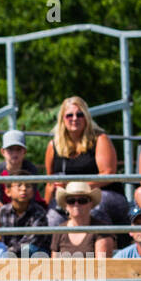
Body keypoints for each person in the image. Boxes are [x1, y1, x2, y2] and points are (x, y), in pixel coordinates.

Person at [44, 96, 130, 227]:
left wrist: (76, 187)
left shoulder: (100, 139)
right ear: (62, 119)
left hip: (102, 195)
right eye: (69, 115)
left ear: (86, 117)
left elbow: (108, 174)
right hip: (68, 199)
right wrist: (44, 207)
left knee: (93, 211)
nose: (74, 119)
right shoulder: (53, 145)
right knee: (51, 219)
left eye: (80, 114)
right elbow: (50, 182)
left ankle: (102, 245)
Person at [43, 181, 115, 281]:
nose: (76, 204)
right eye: (71, 200)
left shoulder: (102, 230)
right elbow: (54, 267)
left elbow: (101, 268)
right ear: (66, 205)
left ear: (90, 204)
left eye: (82, 200)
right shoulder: (59, 230)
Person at [0, 173, 51, 257]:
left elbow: (33, 240)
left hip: (30, 255)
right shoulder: (1, 212)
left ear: (33, 192)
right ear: (8, 192)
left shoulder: (39, 212)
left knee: (31, 249)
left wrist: (8, 252)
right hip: (7, 253)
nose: (24, 189)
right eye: (19, 185)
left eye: (28, 186)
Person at [0, 129, 43, 205]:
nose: (15, 153)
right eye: (10, 149)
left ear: (24, 151)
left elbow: (32, 197)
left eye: (18, 149)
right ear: (2, 152)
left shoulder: (31, 169)